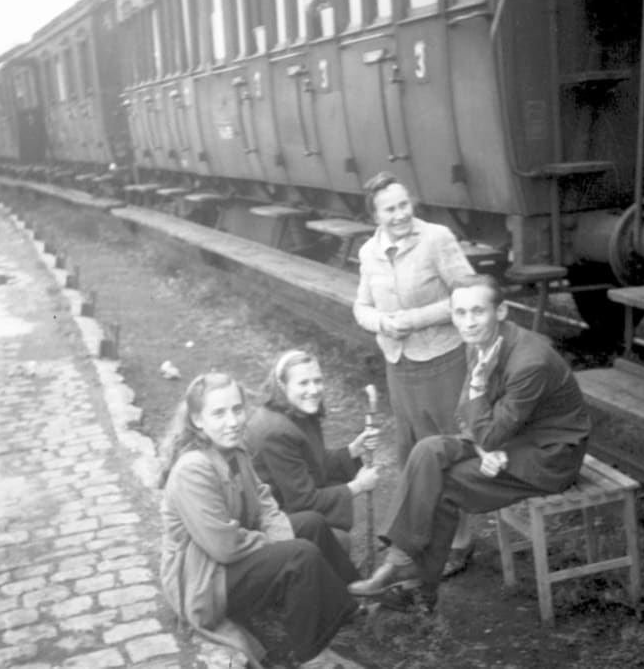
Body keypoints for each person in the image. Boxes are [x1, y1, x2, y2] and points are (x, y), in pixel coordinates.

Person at [347, 275, 591, 612]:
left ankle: (416, 586)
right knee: (428, 450)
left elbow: (488, 427)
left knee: (443, 484)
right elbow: (470, 417)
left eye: (478, 311)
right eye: (459, 313)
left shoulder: (529, 361)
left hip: (547, 455)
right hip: (508, 436)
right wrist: (482, 449)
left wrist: (484, 428)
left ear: (501, 311)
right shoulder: (484, 341)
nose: (468, 322)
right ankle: (402, 565)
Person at [160, 372, 361, 669]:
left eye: (237, 409)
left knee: (311, 523)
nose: (232, 421)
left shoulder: (233, 450)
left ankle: (349, 599)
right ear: (197, 420)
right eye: (219, 413)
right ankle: (313, 656)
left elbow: (264, 500)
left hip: (229, 558)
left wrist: (282, 534)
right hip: (204, 578)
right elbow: (224, 547)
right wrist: (279, 546)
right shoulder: (193, 469)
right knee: (299, 556)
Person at [353, 171, 477, 577]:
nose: (400, 214)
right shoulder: (369, 252)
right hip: (400, 366)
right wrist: (381, 323)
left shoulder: (436, 238)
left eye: (404, 204)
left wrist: (413, 318)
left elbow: (467, 296)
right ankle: (420, 536)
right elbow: (361, 307)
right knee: (412, 455)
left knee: (449, 452)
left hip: (443, 360)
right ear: (375, 214)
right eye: (390, 209)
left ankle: (459, 542)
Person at [247, 349, 380, 555]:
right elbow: (302, 500)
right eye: (303, 383)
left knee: (338, 540)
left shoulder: (297, 412)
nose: (314, 390)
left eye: (317, 381)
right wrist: (358, 486)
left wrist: (353, 450)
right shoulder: (275, 432)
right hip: (273, 518)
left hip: (290, 506)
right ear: (282, 385)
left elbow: (311, 461)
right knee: (339, 541)